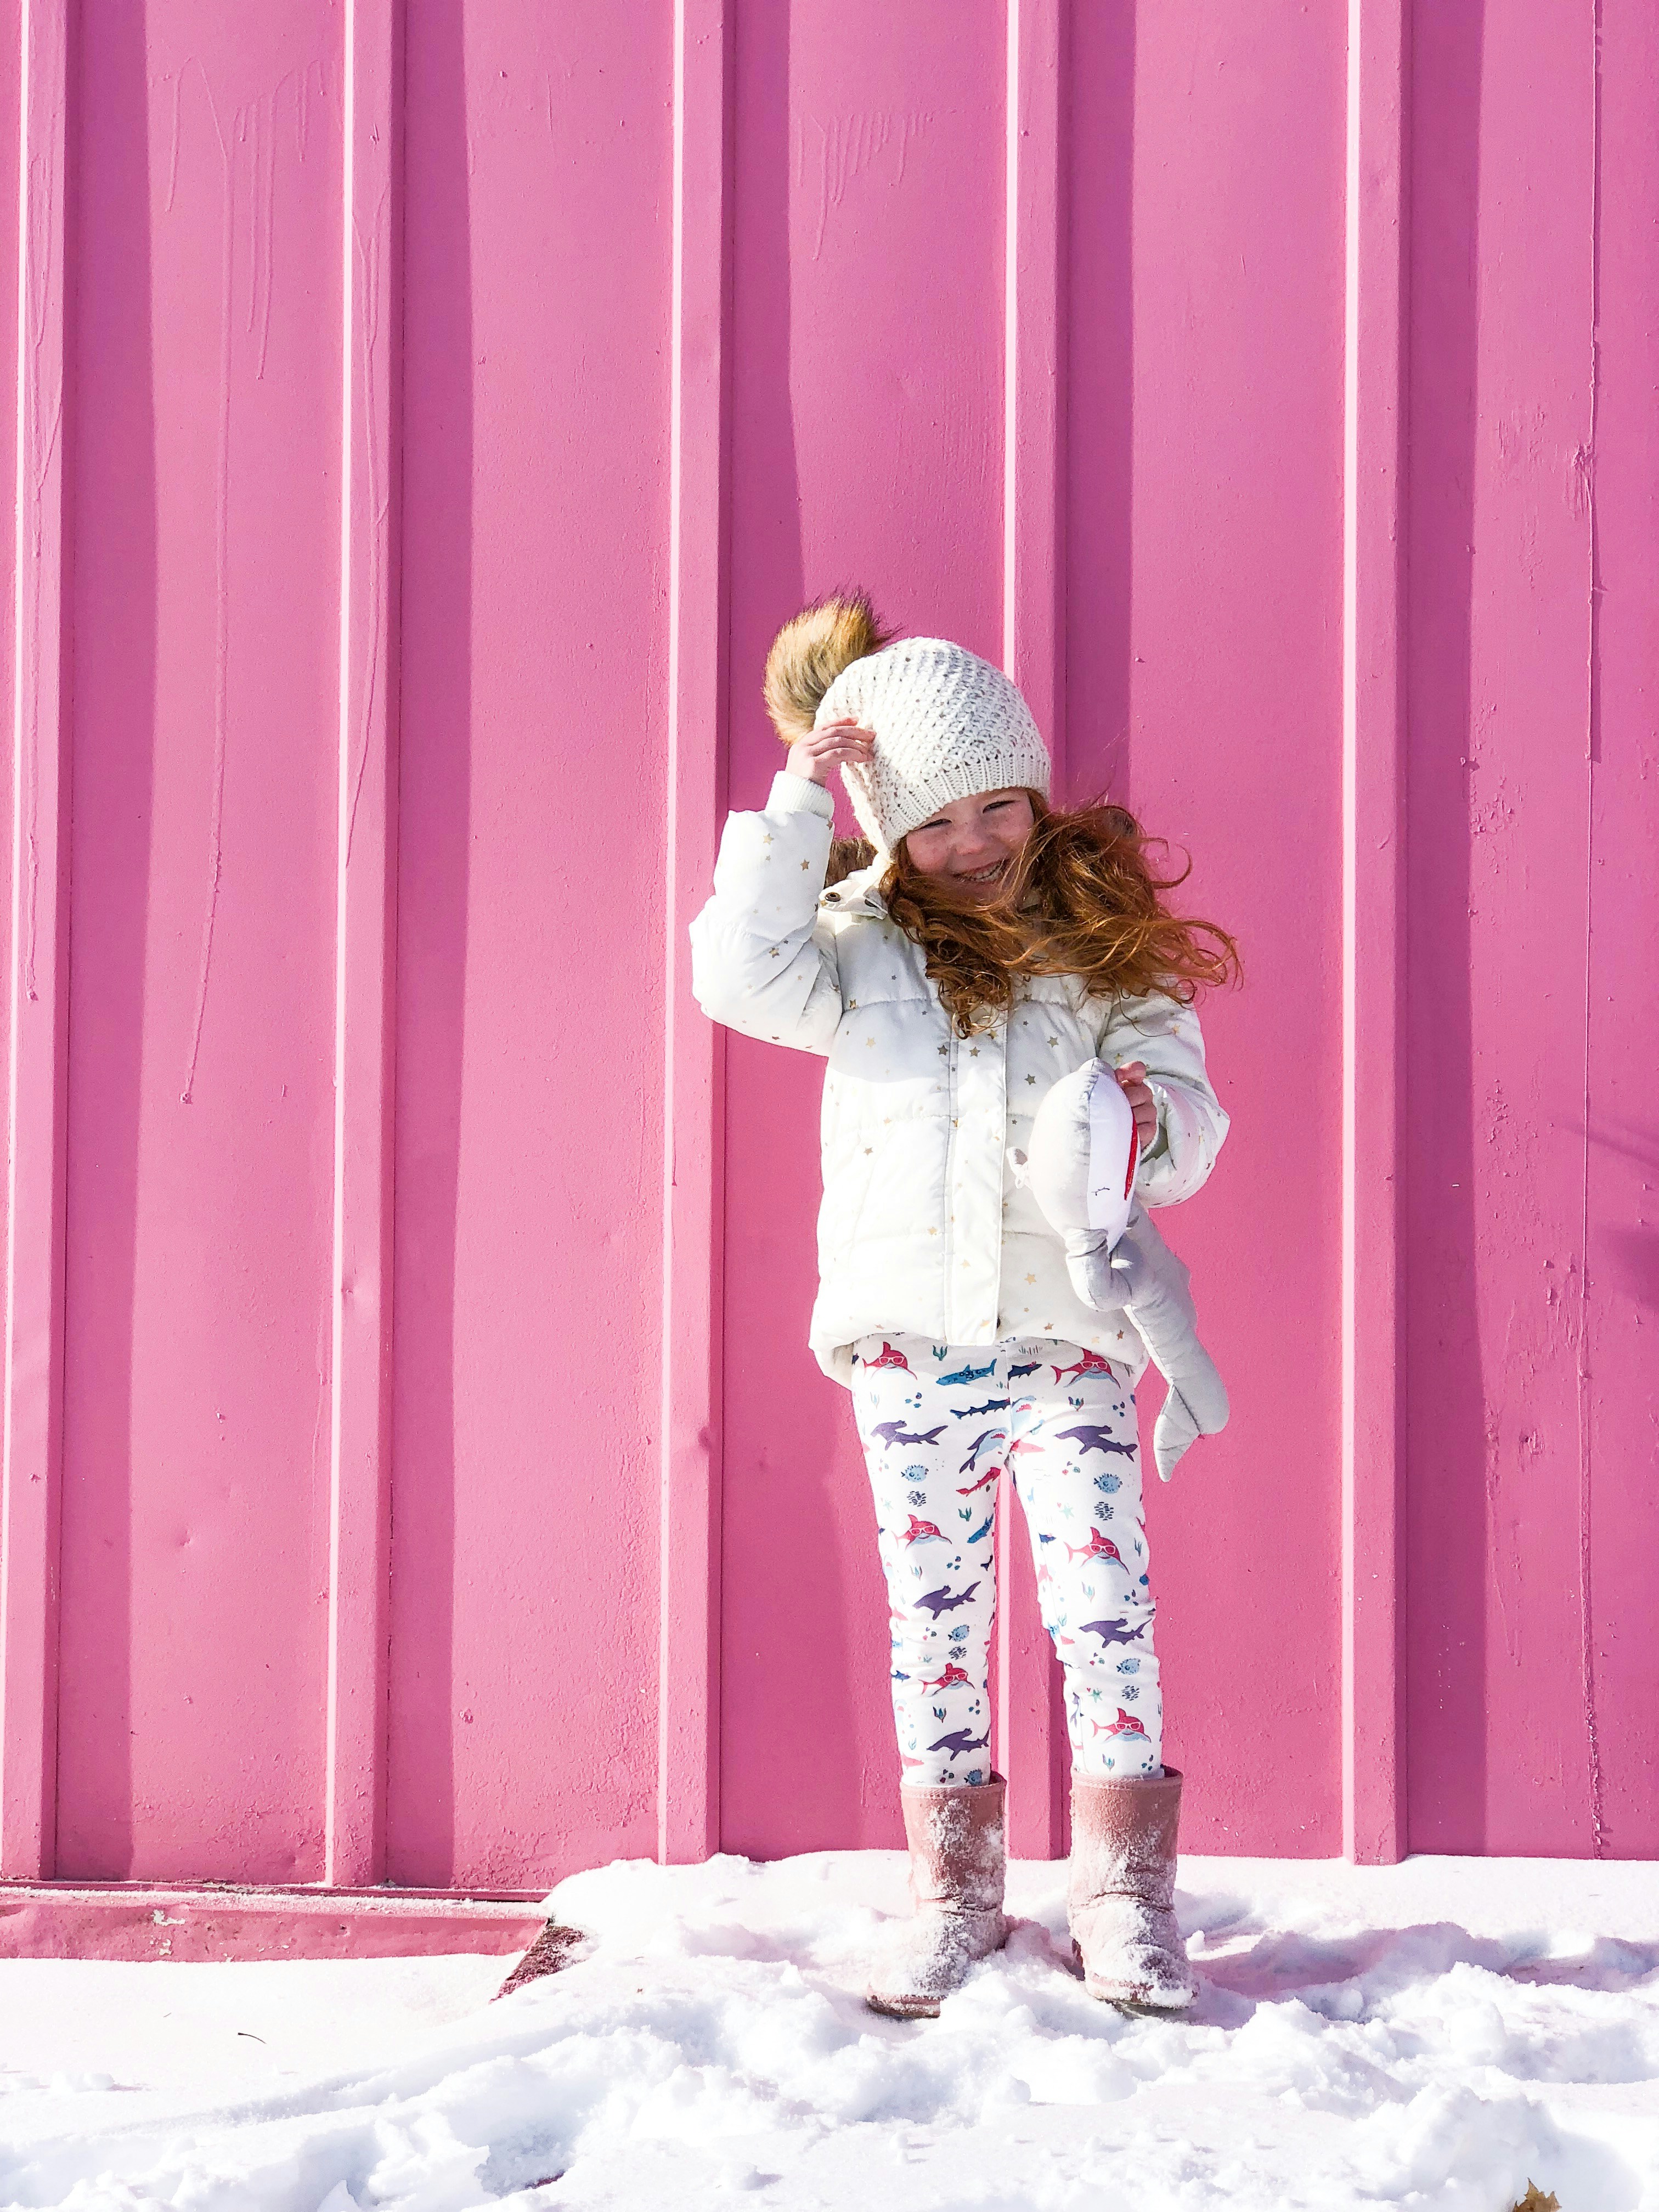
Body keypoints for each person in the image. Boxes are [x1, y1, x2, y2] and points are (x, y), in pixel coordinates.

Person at [689, 591, 1238, 2019]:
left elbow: (1191, 1112)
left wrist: (1145, 1124)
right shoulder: (853, 943)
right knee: (936, 1624)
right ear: (889, 831)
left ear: (1035, 795)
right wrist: (799, 802)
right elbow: (733, 978)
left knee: (1105, 1611)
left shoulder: (1100, 940)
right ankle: (954, 1895)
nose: (978, 840)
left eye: (999, 804)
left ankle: (1125, 1897)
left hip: (1069, 1343)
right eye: (936, 821)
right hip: (911, 1350)